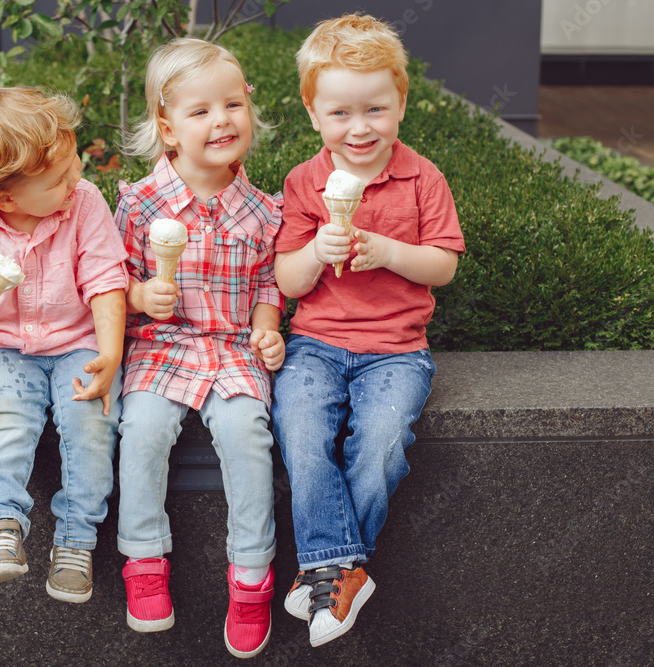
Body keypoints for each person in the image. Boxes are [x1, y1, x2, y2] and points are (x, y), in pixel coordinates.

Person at [271, 13, 467, 647]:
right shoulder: (304, 183)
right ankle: (346, 569)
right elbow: (289, 281)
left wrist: (386, 251)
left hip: (396, 352)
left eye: (376, 110)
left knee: (380, 443)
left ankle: (328, 567)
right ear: (313, 115)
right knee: (301, 433)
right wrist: (314, 253)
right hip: (315, 345)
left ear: (401, 105)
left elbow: (443, 266)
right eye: (340, 114)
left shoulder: (422, 178)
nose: (359, 129)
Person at [0, 87, 128, 603]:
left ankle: (77, 538)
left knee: (91, 428)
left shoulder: (84, 203)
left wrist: (110, 354)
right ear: (3, 198)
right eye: (58, 177)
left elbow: (106, 282)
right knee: (5, 421)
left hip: (77, 342)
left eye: (73, 160)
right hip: (4, 349)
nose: (76, 175)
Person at [114, 38, 285, 659]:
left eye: (233, 104)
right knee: (143, 430)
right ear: (166, 127)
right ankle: (143, 557)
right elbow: (113, 283)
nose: (221, 120)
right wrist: (140, 297)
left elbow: (268, 282)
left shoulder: (266, 212)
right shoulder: (139, 204)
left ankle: (251, 574)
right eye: (200, 111)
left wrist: (268, 327)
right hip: (161, 346)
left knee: (247, 434)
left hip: (235, 348)